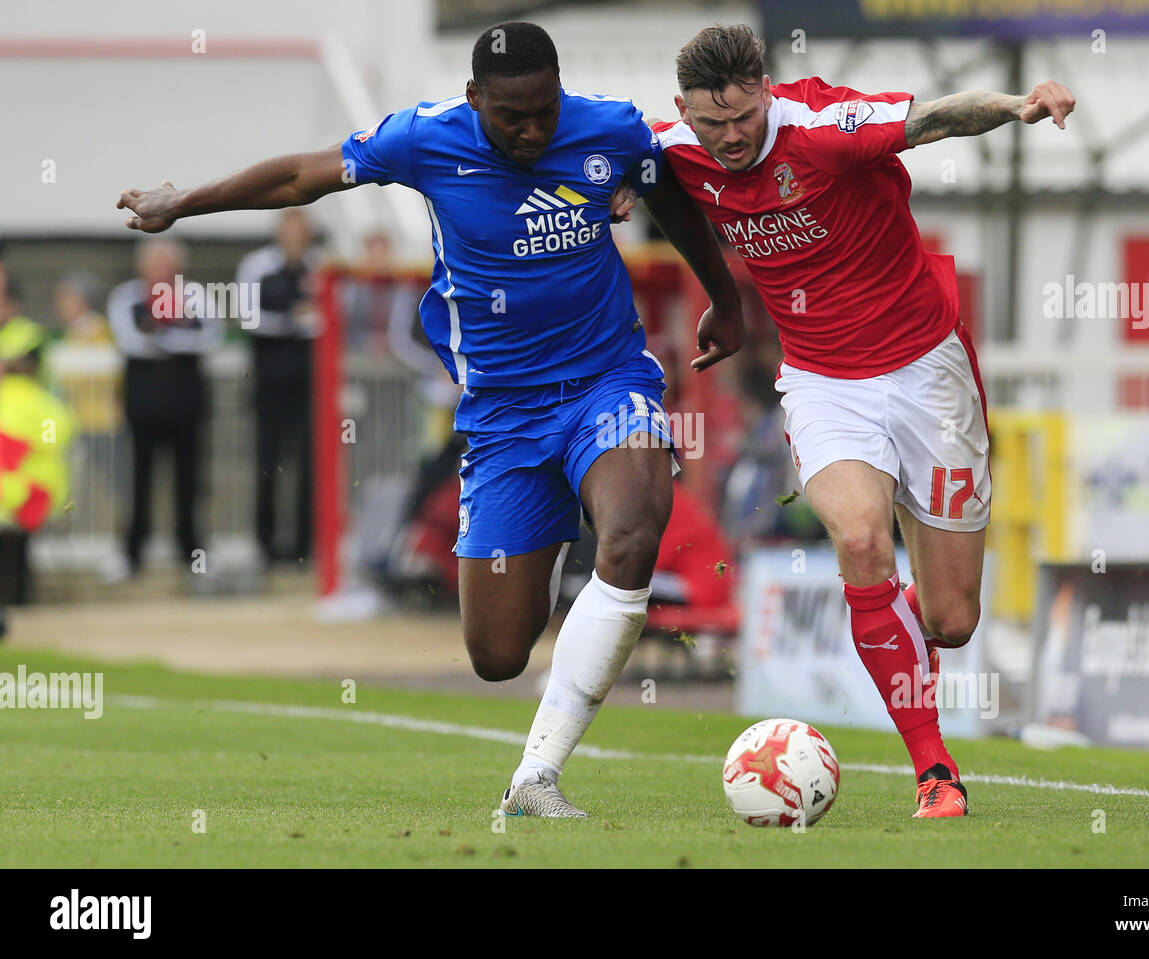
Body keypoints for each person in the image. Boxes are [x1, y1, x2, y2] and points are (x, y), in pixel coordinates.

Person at [116, 20, 743, 817]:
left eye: (545, 112)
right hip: (503, 415)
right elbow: (303, 177)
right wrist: (185, 201)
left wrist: (723, 296)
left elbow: (673, 193)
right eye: (512, 115)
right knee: (496, 656)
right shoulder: (423, 137)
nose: (532, 130)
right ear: (475, 98)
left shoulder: (612, 127)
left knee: (632, 527)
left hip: (605, 381)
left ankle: (536, 777)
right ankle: (546, 547)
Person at [635, 24, 1075, 818]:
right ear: (683, 112)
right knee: (863, 541)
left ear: (767, 90)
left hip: (926, 368)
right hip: (821, 380)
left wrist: (1016, 105)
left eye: (743, 117)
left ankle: (902, 618)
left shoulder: (825, 129)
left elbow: (937, 116)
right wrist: (722, 297)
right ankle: (935, 770)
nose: (730, 138)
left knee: (953, 619)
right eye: (712, 123)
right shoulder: (673, 147)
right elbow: (639, 178)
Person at [106, 239, 223, 574]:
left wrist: (162, 334)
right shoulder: (127, 296)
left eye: (166, 265)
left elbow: (210, 336)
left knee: (189, 478)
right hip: (143, 400)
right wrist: (175, 334)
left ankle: (192, 553)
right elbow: (131, 341)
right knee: (139, 478)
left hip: (186, 400)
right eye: (154, 265)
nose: (160, 271)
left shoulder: (195, 294)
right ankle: (132, 555)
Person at [236, 209, 323, 565]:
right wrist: (292, 319)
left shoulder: (320, 265)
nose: (294, 237)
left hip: (310, 383)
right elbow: (247, 316)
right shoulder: (256, 265)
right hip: (270, 381)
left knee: (310, 467)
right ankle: (266, 546)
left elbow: (329, 318)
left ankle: (305, 547)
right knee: (267, 464)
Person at [0, 319, 77, 640]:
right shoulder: (47, 403)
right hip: (32, 497)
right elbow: (59, 434)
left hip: (17, 496)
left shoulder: (16, 399)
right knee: (15, 561)